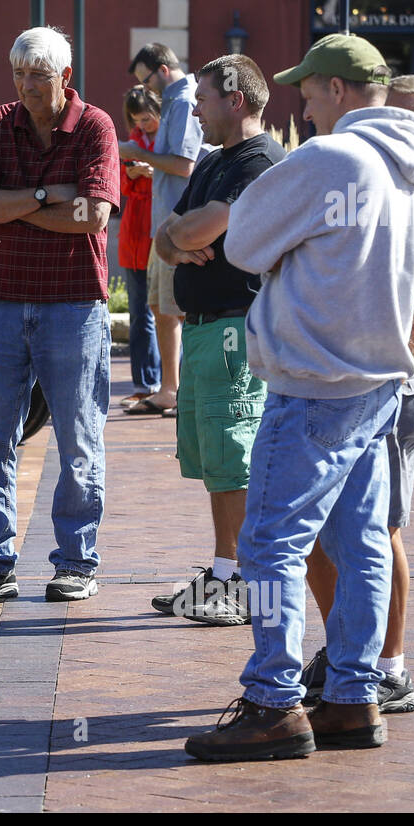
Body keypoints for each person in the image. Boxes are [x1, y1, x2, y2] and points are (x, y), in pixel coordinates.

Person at [183, 34, 414, 761]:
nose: (301, 103)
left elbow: (241, 245)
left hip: (314, 382)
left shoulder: (332, 159)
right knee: (359, 542)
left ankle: (273, 701)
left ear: (338, 91)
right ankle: (354, 697)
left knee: (268, 545)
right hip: (376, 382)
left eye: (309, 90)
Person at [0, 26, 119, 604]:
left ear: (65, 78)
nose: (25, 87)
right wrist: (46, 196)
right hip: (3, 301)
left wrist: (11, 208)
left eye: (38, 76)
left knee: (78, 439)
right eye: (18, 74)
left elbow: (93, 215)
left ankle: (76, 561)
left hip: (74, 303)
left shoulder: (95, 126)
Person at [300, 74, 414, 714]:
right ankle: (351, 648)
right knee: (337, 528)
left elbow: (413, 308)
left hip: (398, 377)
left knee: (379, 528)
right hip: (374, 374)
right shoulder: (398, 189)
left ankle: (389, 665)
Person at [149, 55, 284, 627]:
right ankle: (224, 571)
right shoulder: (212, 163)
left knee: (234, 455)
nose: (195, 110)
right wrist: (180, 240)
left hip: (236, 325)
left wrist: (186, 235)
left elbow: (202, 227)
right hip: (205, 325)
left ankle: (243, 582)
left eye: (202, 99)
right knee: (215, 459)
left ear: (237, 100)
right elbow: (166, 236)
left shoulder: (261, 161)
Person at [122, 43, 206, 417]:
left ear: (162, 69)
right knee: (161, 308)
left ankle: (183, 390)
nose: (147, 89)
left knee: (177, 309)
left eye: (147, 79)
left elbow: (183, 164)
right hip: (166, 224)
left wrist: (133, 152)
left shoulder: (184, 100)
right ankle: (170, 389)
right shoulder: (175, 100)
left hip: (179, 223)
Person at [117, 85, 162, 409]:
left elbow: (180, 174)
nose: (144, 125)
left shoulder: (170, 139)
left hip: (159, 228)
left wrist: (152, 170)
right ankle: (145, 383)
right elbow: (118, 183)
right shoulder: (130, 143)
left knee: (167, 311)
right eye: (137, 120)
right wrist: (133, 174)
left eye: (147, 118)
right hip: (134, 230)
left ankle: (170, 382)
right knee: (138, 314)